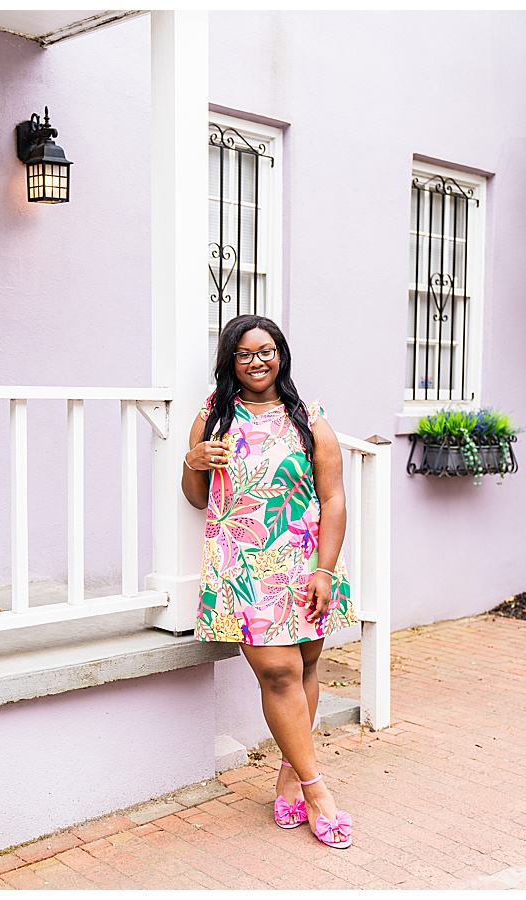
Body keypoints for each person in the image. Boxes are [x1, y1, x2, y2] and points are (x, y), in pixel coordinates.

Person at [183, 314, 355, 849]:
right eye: (244, 354)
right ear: (230, 361)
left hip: (305, 562)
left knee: (304, 664)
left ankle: (288, 775)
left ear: (281, 354)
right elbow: (196, 496)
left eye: (267, 350)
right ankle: (316, 788)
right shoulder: (214, 417)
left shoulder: (309, 418)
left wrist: (325, 570)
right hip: (243, 564)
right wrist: (192, 462)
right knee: (277, 672)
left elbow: (333, 500)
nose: (257, 361)